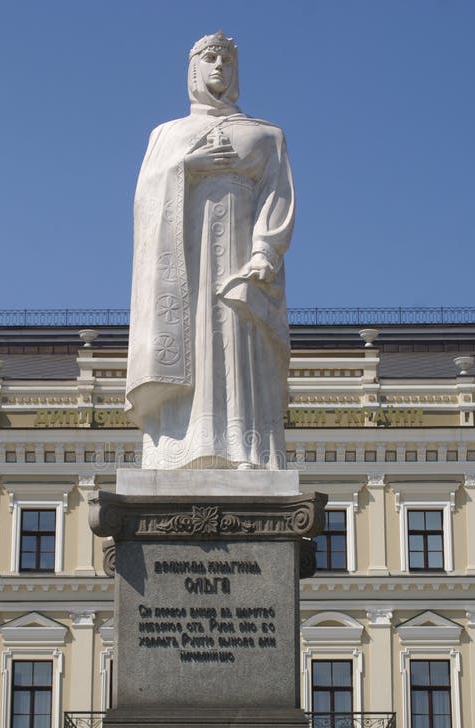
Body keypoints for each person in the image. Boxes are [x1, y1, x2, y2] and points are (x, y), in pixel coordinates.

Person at [125, 32, 295, 470]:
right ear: (194, 69)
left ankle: (246, 450)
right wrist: (187, 166)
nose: (219, 66)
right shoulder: (167, 134)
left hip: (240, 259)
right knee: (192, 337)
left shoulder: (266, 135)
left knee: (238, 338)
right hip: (184, 263)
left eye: (226, 59)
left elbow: (277, 195)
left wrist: (265, 252)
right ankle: (177, 448)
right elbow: (145, 200)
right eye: (210, 58)